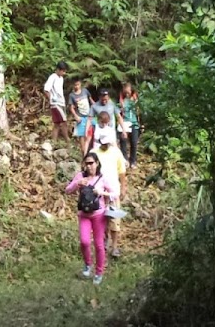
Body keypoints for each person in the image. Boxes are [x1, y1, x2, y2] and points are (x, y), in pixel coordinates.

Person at [65, 151, 117, 285]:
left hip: (98, 214)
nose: (89, 166)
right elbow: (67, 190)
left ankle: (99, 272)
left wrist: (102, 192)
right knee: (85, 241)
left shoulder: (102, 178)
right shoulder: (80, 176)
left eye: (91, 163)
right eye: (86, 163)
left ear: (97, 163)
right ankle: (87, 265)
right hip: (84, 214)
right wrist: (77, 184)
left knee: (99, 245)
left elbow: (115, 193)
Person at [92, 127, 128, 258]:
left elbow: (122, 171)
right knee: (101, 219)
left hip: (113, 191)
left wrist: (123, 187)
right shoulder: (94, 152)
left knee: (114, 219)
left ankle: (114, 246)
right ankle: (103, 242)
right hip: (98, 192)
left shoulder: (116, 152)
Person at [43, 61, 69, 141]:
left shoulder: (61, 79)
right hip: (56, 103)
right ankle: (67, 140)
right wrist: (51, 99)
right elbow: (46, 89)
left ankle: (53, 141)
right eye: (63, 71)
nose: (64, 73)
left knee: (57, 123)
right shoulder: (52, 77)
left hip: (61, 102)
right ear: (58, 69)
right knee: (64, 122)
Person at [119, 82, 141, 167]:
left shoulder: (135, 99)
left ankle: (133, 160)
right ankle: (125, 160)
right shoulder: (122, 100)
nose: (127, 92)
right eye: (125, 91)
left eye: (128, 90)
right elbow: (120, 112)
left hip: (134, 123)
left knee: (134, 142)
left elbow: (139, 112)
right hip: (125, 122)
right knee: (123, 141)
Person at [67, 79, 92, 154]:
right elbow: (71, 107)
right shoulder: (72, 95)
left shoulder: (85, 91)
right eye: (75, 85)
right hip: (80, 117)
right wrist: (76, 116)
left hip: (89, 116)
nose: (77, 86)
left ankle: (90, 152)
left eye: (78, 84)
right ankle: (83, 153)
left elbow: (91, 100)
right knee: (81, 135)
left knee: (91, 133)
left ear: (80, 84)